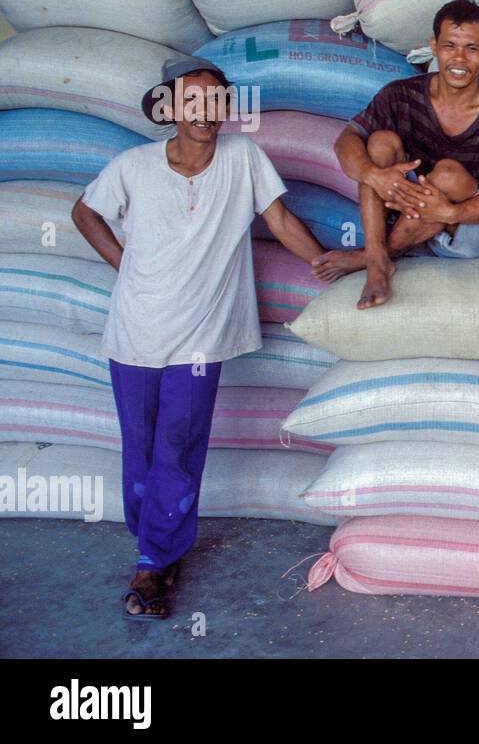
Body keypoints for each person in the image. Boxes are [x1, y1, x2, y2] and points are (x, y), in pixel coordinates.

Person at [71, 58, 338, 620]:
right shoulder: (134, 166)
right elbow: (84, 212)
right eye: (191, 101)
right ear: (170, 109)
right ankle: (155, 549)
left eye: (215, 101)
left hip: (200, 337)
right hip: (135, 331)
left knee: (177, 443)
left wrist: (326, 264)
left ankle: (152, 564)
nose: (204, 113)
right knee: (139, 448)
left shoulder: (243, 159)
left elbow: (282, 220)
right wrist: (125, 264)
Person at [314, 0, 479, 308]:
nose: (459, 59)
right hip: (409, 221)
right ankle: (376, 255)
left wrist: (448, 212)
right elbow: (346, 140)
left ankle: (371, 258)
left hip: (467, 230)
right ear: (434, 45)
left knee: (448, 175)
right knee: (380, 142)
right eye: (450, 46)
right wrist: (376, 176)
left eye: (472, 48)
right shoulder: (400, 95)